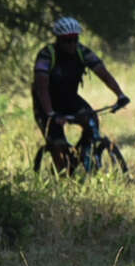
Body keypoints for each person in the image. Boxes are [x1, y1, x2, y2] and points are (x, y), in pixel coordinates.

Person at [32, 16, 129, 172]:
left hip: (69, 98)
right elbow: (41, 87)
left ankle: (85, 156)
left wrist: (120, 95)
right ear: (58, 40)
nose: (71, 44)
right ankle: (62, 171)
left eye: (75, 39)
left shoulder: (82, 52)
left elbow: (103, 73)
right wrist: (51, 114)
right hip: (46, 102)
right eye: (67, 40)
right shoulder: (46, 55)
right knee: (57, 144)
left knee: (91, 121)